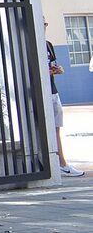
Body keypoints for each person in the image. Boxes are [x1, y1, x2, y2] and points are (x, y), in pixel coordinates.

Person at [45, 21, 83, 177]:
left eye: (45, 23)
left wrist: (56, 69)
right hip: (42, 93)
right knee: (49, 129)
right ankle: (60, 163)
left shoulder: (48, 45)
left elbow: (53, 65)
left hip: (53, 91)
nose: (44, 27)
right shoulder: (32, 44)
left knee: (57, 128)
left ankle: (61, 162)